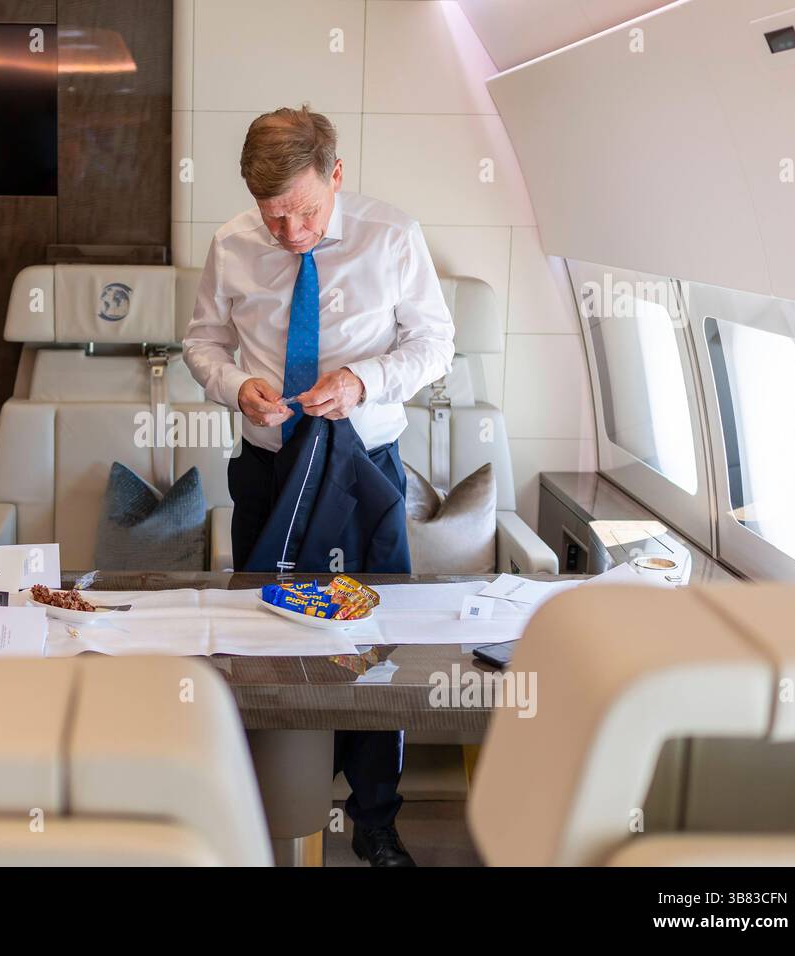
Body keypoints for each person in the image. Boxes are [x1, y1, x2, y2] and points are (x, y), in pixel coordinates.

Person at [183, 105, 455, 867]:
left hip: (365, 468)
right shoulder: (231, 245)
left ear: (336, 175)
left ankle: (374, 820)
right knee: (260, 641)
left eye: (304, 212)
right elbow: (202, 342)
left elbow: (435, 343)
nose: (292, 234)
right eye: (275, 219)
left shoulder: (394, 237)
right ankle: (255, 815)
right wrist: (237, 387)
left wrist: (364, 382)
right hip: (269, 469)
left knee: (371, 646)